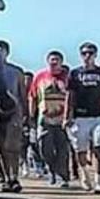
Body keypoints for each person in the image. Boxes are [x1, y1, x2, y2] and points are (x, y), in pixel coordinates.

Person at [65, 42, 100, 194]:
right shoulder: (75, 73)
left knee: (99, 148)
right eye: (84, 53)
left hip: (99, 115)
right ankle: (85, 175)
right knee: (81, 149)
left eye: (90, 53)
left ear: (95, 55)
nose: (87, 56)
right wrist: (67, 116)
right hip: (80, 116)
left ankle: (99, 181)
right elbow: (70, 95)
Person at [30, 51, 71, 186]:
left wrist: (70, 115)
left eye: (57, 60)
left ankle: (62, 177)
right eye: (52, 60)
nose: (54, 62)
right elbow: (33, 96)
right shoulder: (40, 77)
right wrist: (32, 114)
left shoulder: (67, 77)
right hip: (44, 119)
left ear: (61, 62)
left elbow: (73, 97)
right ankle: (51, 170)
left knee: (62, 149)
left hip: (62, 120)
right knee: (44, 147)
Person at [0, 40, 27, 193]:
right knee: (1, 148)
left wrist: (26, 114)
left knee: (13, 147)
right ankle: (6, 178)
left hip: (14, 113)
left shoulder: (16, 71)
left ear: (7, 52)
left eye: (2, 50)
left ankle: (14, 177)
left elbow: (22, 94)